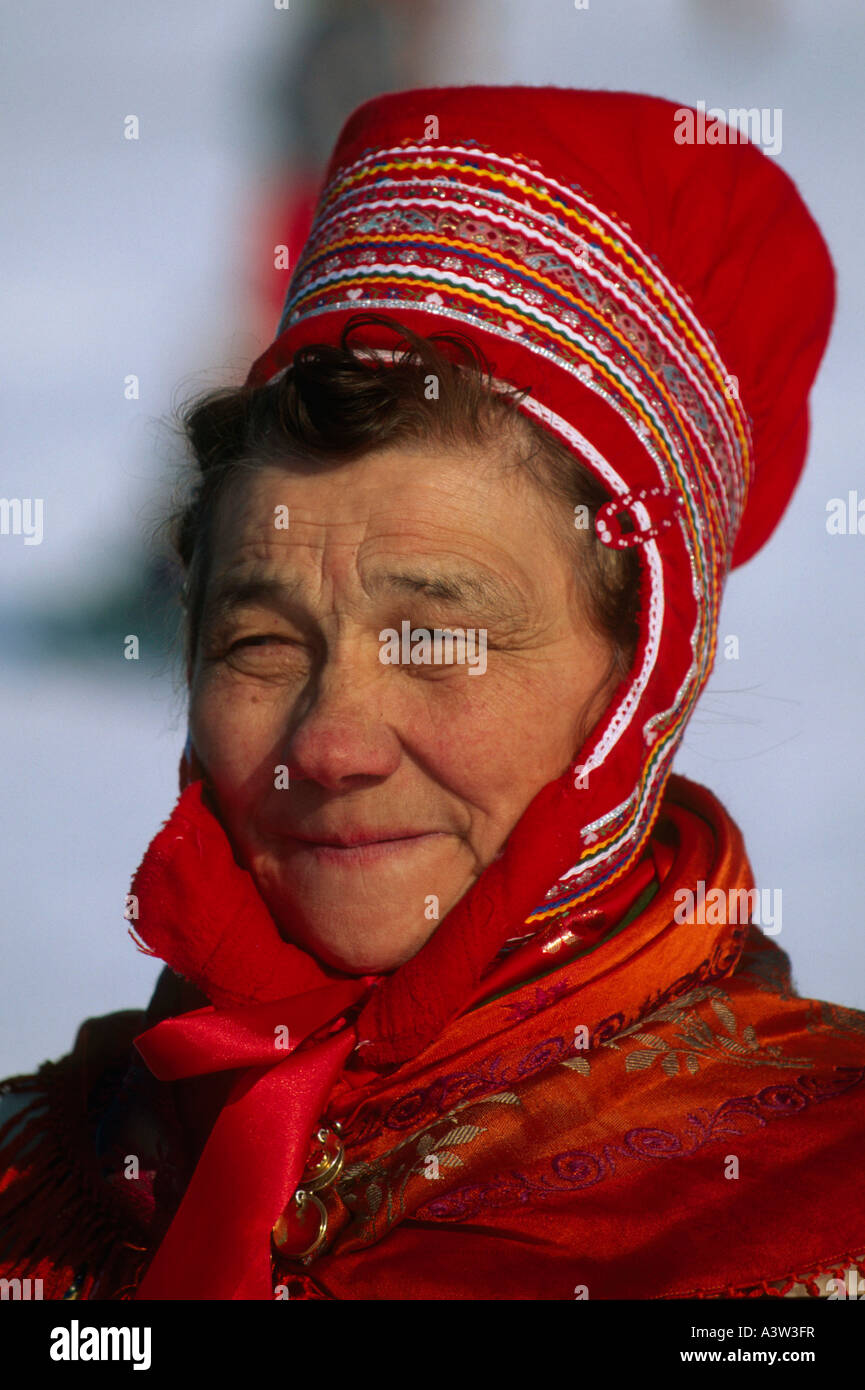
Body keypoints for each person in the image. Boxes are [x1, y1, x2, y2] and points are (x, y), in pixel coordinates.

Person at [2, 86, 864, 1302]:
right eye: (260, 642)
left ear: (642, 676)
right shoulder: (40, 1184)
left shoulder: (809, 1198)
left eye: (435, 637)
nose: (333, 743)